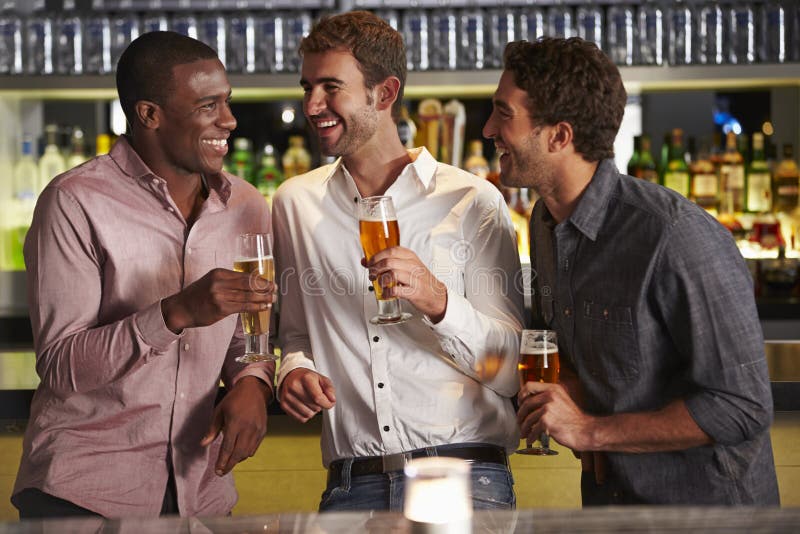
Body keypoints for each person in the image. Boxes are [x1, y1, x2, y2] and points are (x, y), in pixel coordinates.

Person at [483, 37, 780, 506]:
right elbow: (577, 353)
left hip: (706, 517)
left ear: (559, 136)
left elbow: (743, 406)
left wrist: (592, 431)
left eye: (504, 114)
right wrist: (572, 387)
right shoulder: (544, 225)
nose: (488, 129)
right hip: (612, 506)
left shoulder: (674, 236)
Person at [12, 31, 276, 518]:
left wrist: (252, 383)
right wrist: (176, 312)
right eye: (208, 105)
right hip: (85, 495)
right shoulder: (74, 202)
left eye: (229, 102)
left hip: (200, 491)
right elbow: (62, 366)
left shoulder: (246, 205)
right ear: (149, 114)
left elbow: (248, 337)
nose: (230, 120)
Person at [272, 11, 524, 512]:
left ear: (384, 94)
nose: (312, 105)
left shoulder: (472, 199)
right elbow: (296, 336)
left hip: (464, 476)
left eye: (330, 87)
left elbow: (510, 368)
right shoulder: (293, 202)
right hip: (350, 484)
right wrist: (293, 371)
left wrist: (439, 301)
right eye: (307, 87)